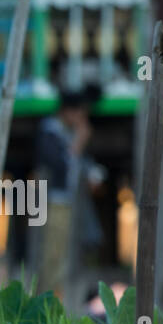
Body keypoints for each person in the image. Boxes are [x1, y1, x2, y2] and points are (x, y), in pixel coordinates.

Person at [32, 84, 105, 302]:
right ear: (67, 111)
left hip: (69, 203)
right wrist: (80, 141)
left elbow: (81, 164)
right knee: (52, 257)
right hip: (53, 203)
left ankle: (57, 300)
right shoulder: (49, 131)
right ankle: (48, 301)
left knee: (65, 257)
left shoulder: (67, 133)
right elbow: (60, 164)